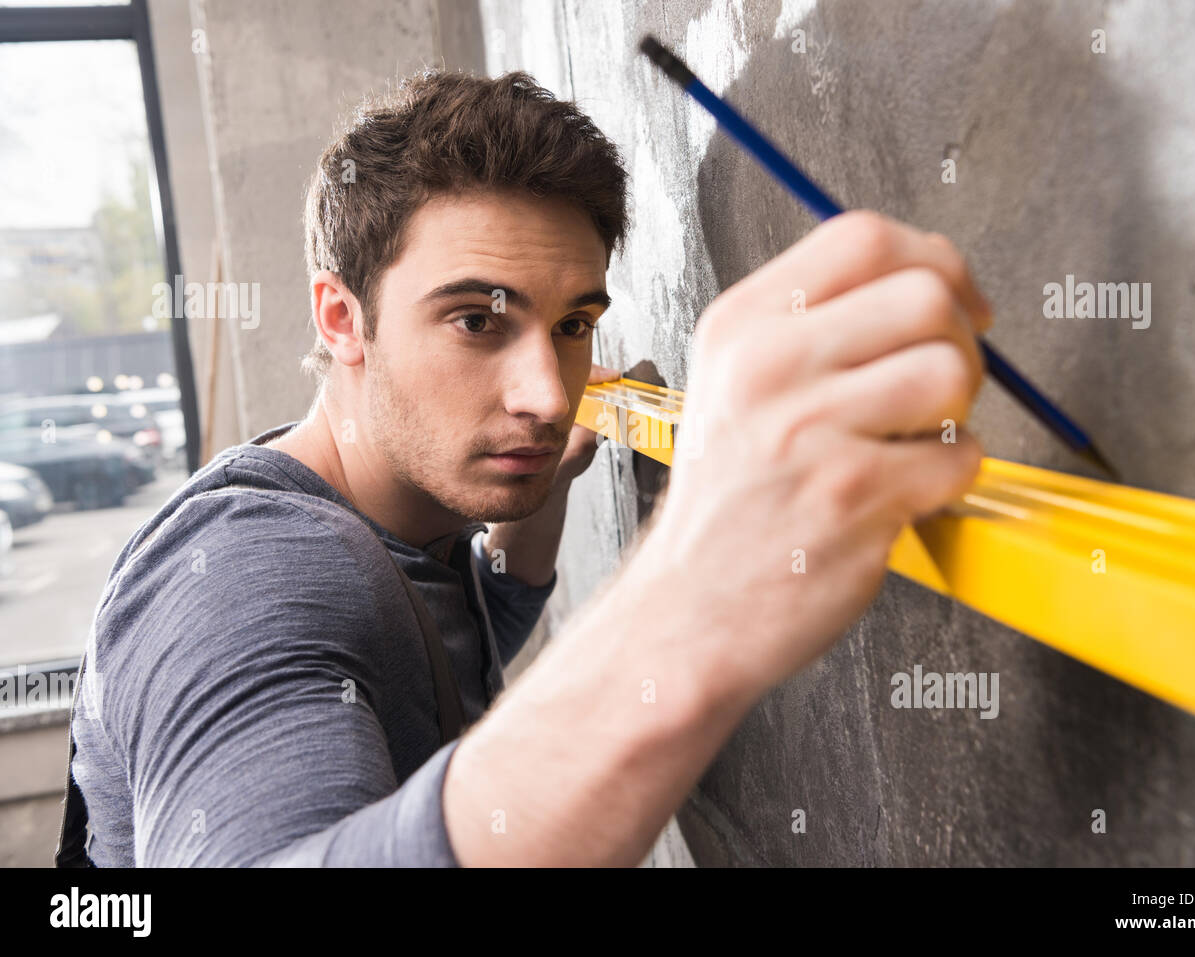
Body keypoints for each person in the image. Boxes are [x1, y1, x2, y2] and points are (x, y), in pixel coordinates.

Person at [67, 68, 990, 867]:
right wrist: (695, 591)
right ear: (341, 319)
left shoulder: (393, 514)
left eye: (572, 325)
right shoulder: (244, 573)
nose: (549, 394)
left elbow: (448, 641)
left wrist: (536, 500)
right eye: (478, 320)